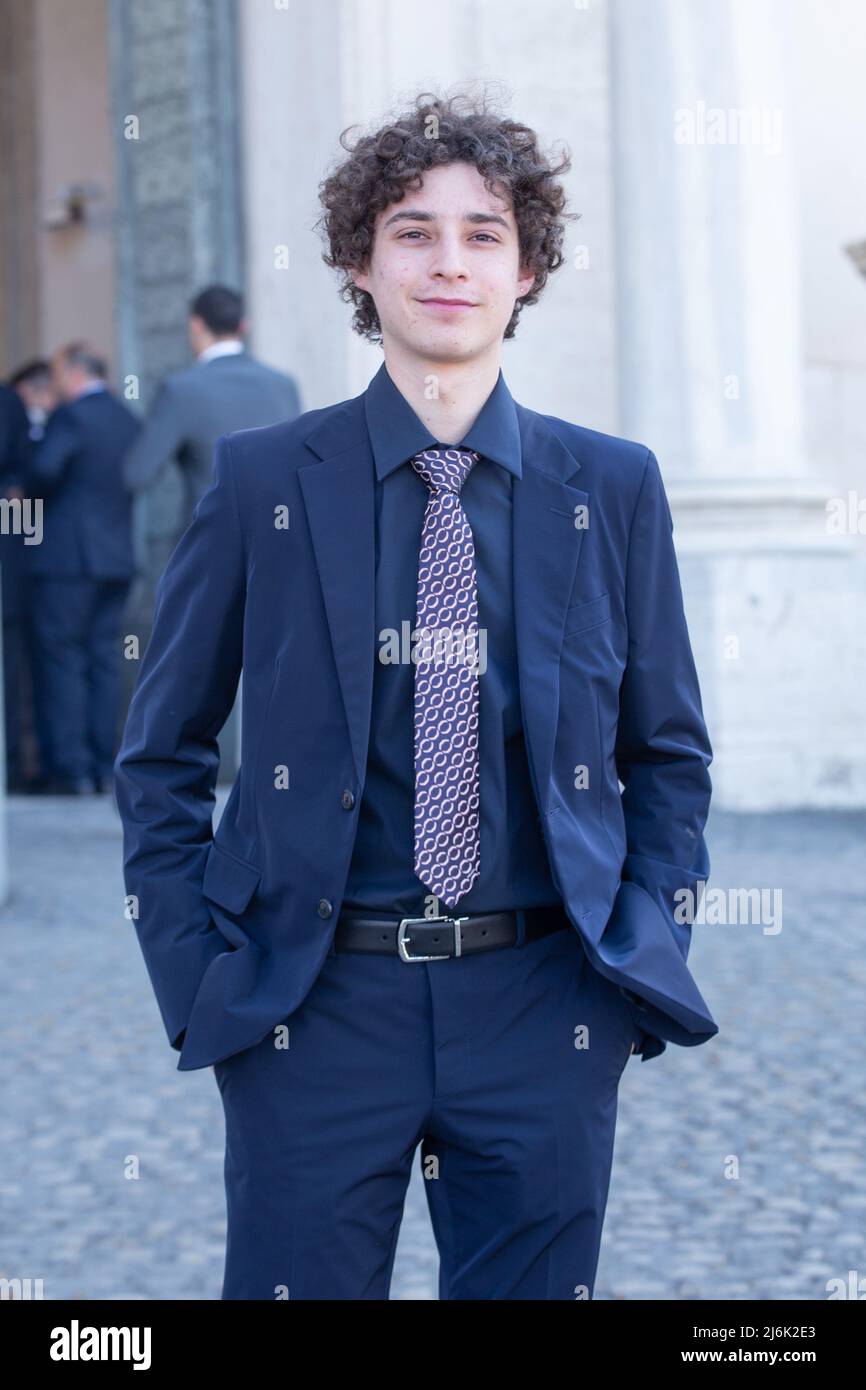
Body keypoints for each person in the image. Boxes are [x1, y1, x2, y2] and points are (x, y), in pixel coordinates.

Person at [114, 89, 718, 1301]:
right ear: (358, 259)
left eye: (482, 233)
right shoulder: (261, 480)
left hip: (543, 1001)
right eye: (411, 230)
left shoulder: (610, 484)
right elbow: (162, 748)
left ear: (528, 268)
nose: (448, 262)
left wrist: (638, 952)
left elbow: (666, 749)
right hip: (314, 1007)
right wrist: (199, 977)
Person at [26, 343, 139, 794]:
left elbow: (44, 470)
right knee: (103, 660)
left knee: (61, 658)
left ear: (74, 373)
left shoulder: (72, 417)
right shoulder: (127, 417)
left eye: (57, 373)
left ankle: (70, 770)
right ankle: (101, 764)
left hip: (70, 559)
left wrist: (21, 489)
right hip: (116, 559)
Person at [122, 284, 302, 541]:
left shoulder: (181, 390)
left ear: (196, 325)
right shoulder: (284, 385)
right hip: (280, 544)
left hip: (210, 549)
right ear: (243, 326)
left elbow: (138, 474)